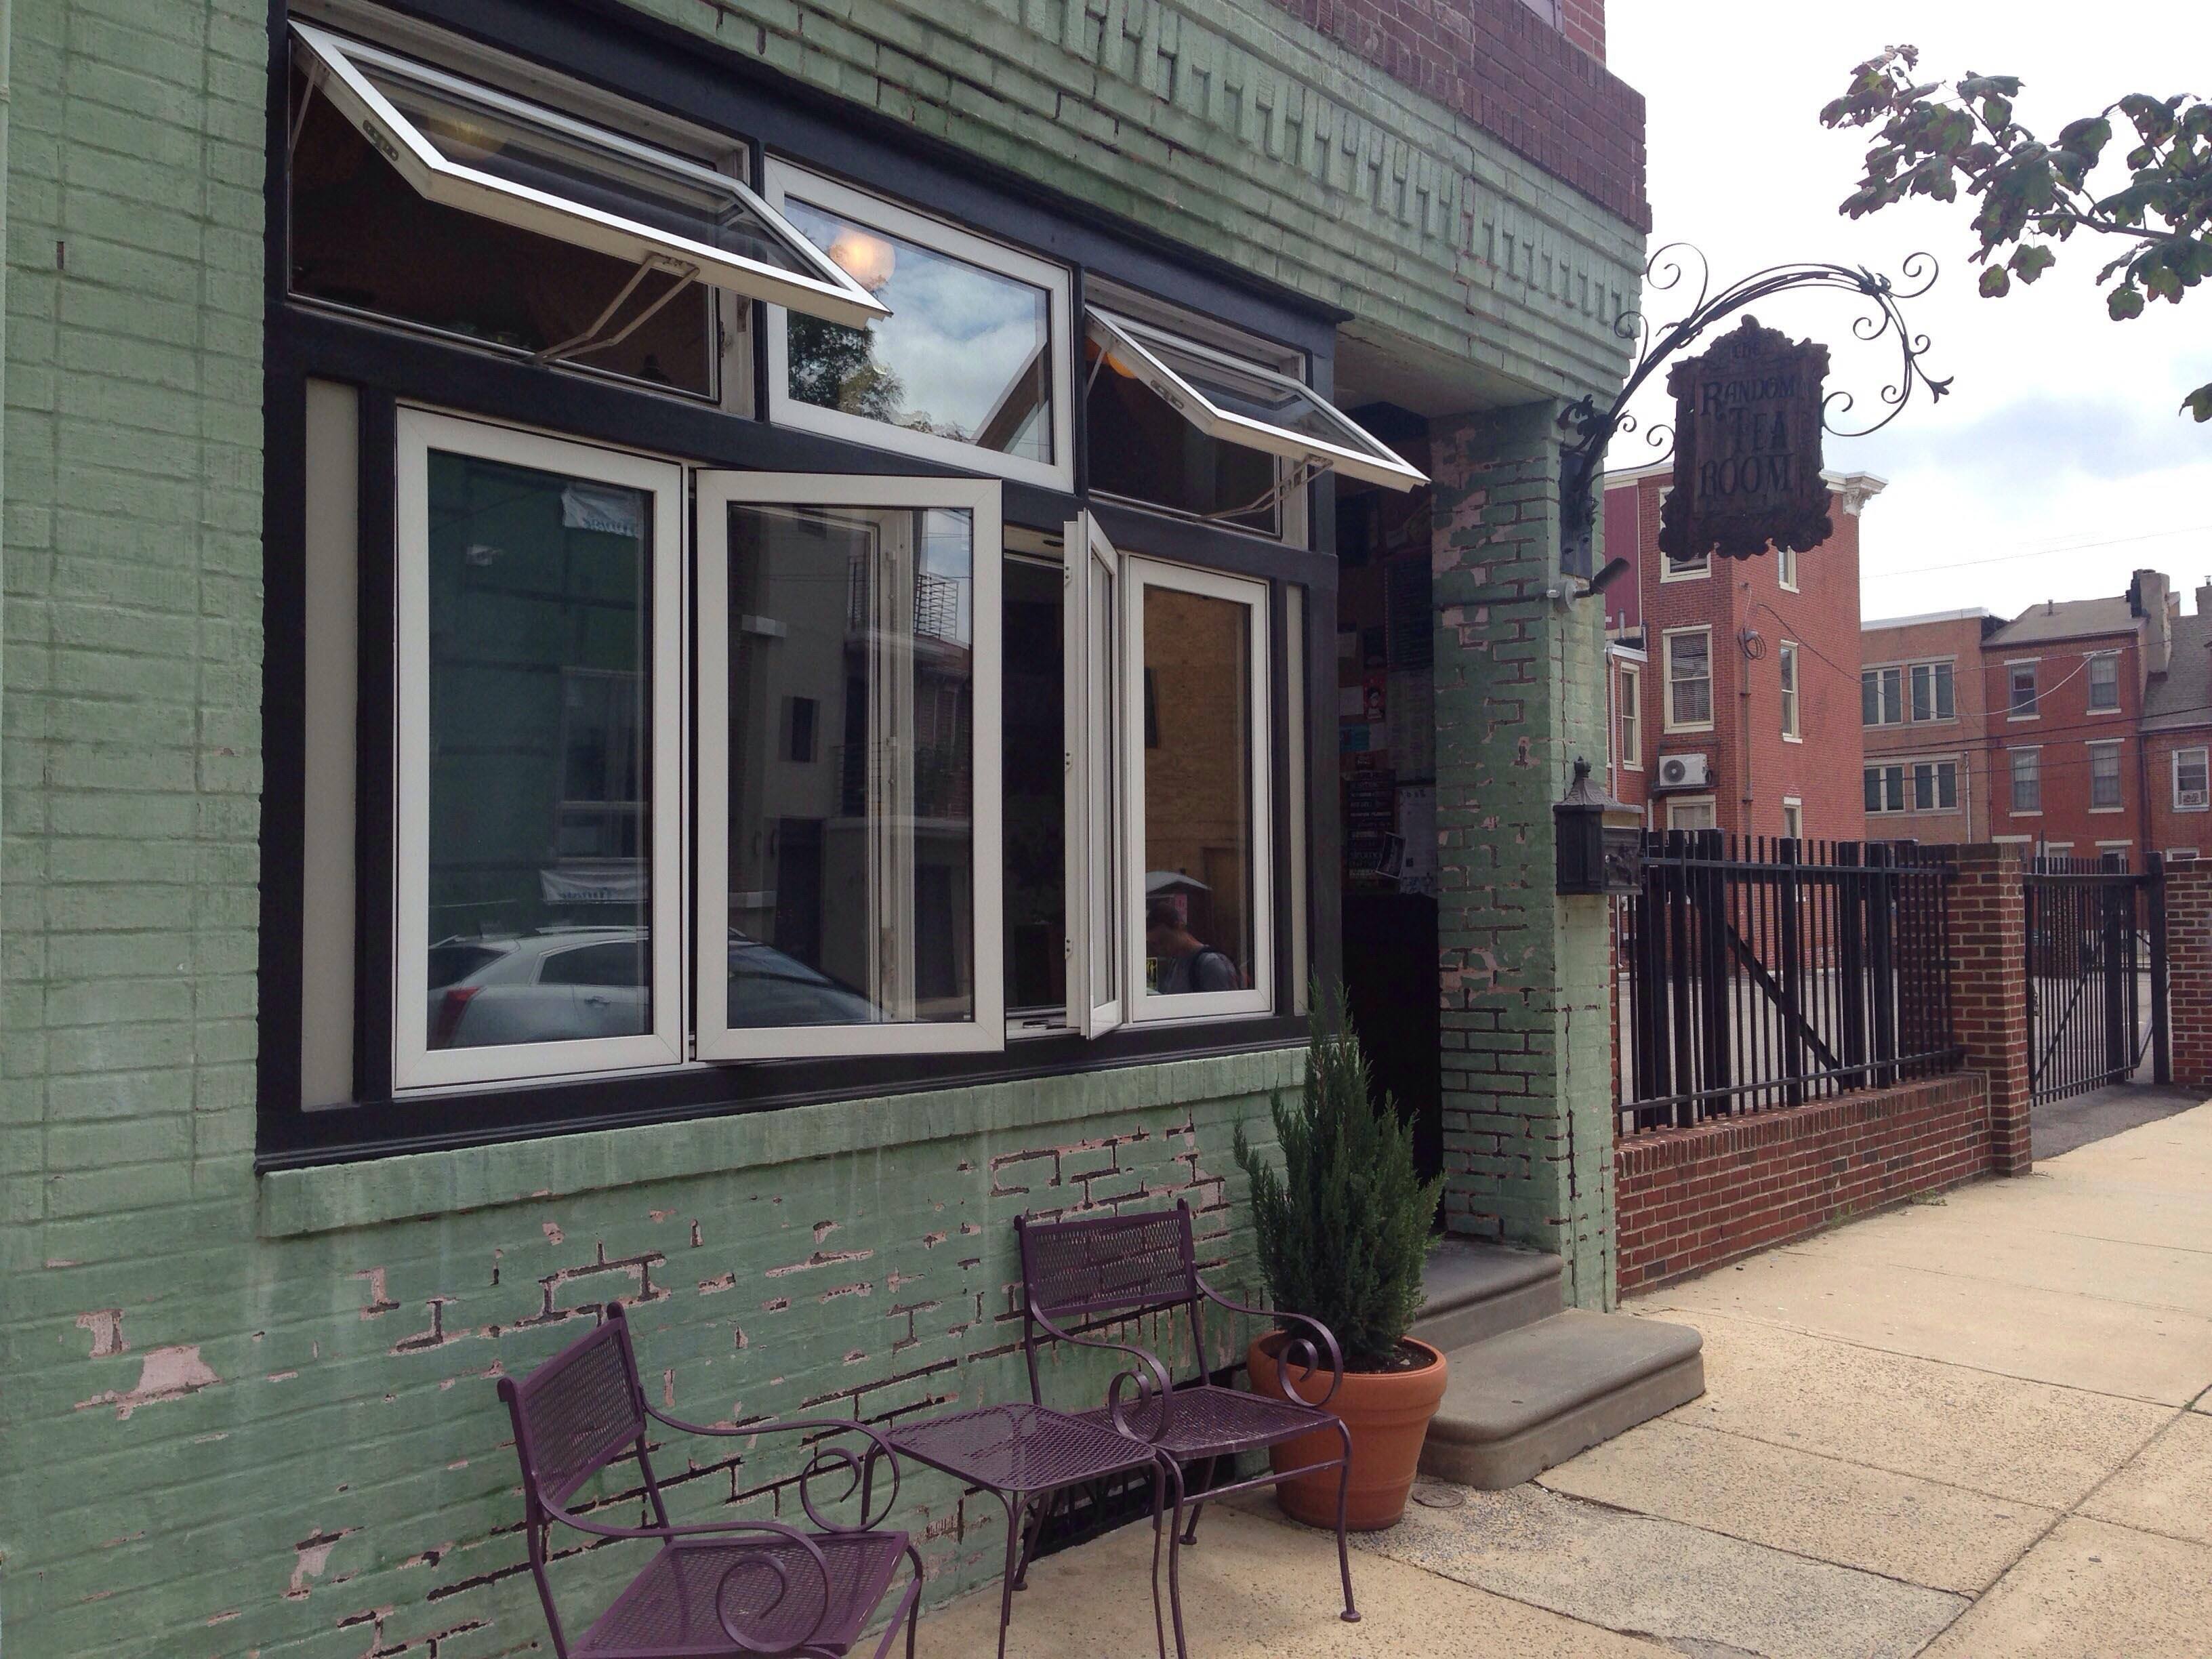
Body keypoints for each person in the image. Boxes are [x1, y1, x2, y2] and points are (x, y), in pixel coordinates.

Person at [1145, 899, 1242, 994]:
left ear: (1180, 927)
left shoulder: (1211, 964)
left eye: (1165, 940)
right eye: (1155, 944)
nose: (1161, 949)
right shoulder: (1175, 962)